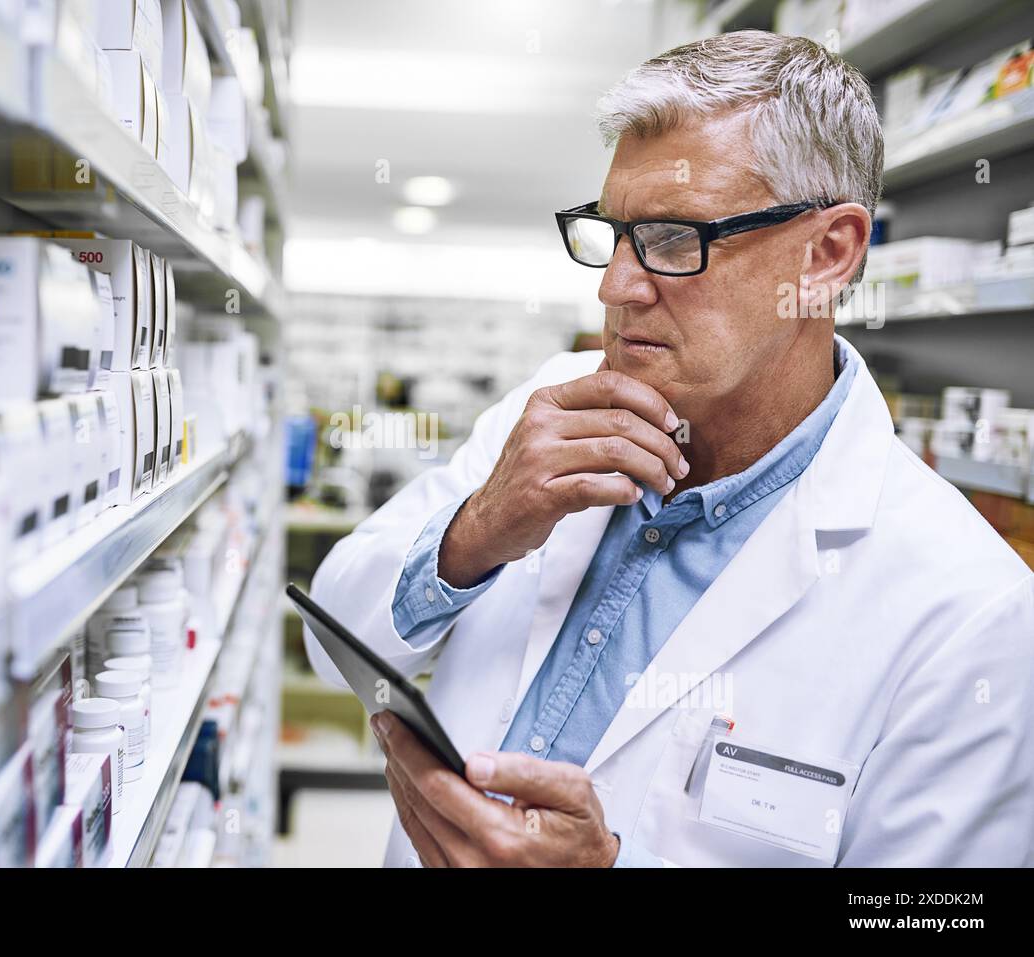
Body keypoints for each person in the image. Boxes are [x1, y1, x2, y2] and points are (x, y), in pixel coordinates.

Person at [306, 30, 1034, 867]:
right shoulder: (552, 405)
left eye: (677, 237)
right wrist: (476, 532)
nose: (615, 285)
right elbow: (331, 643)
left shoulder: (970, 611)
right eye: (612, 232)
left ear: (827, 255)